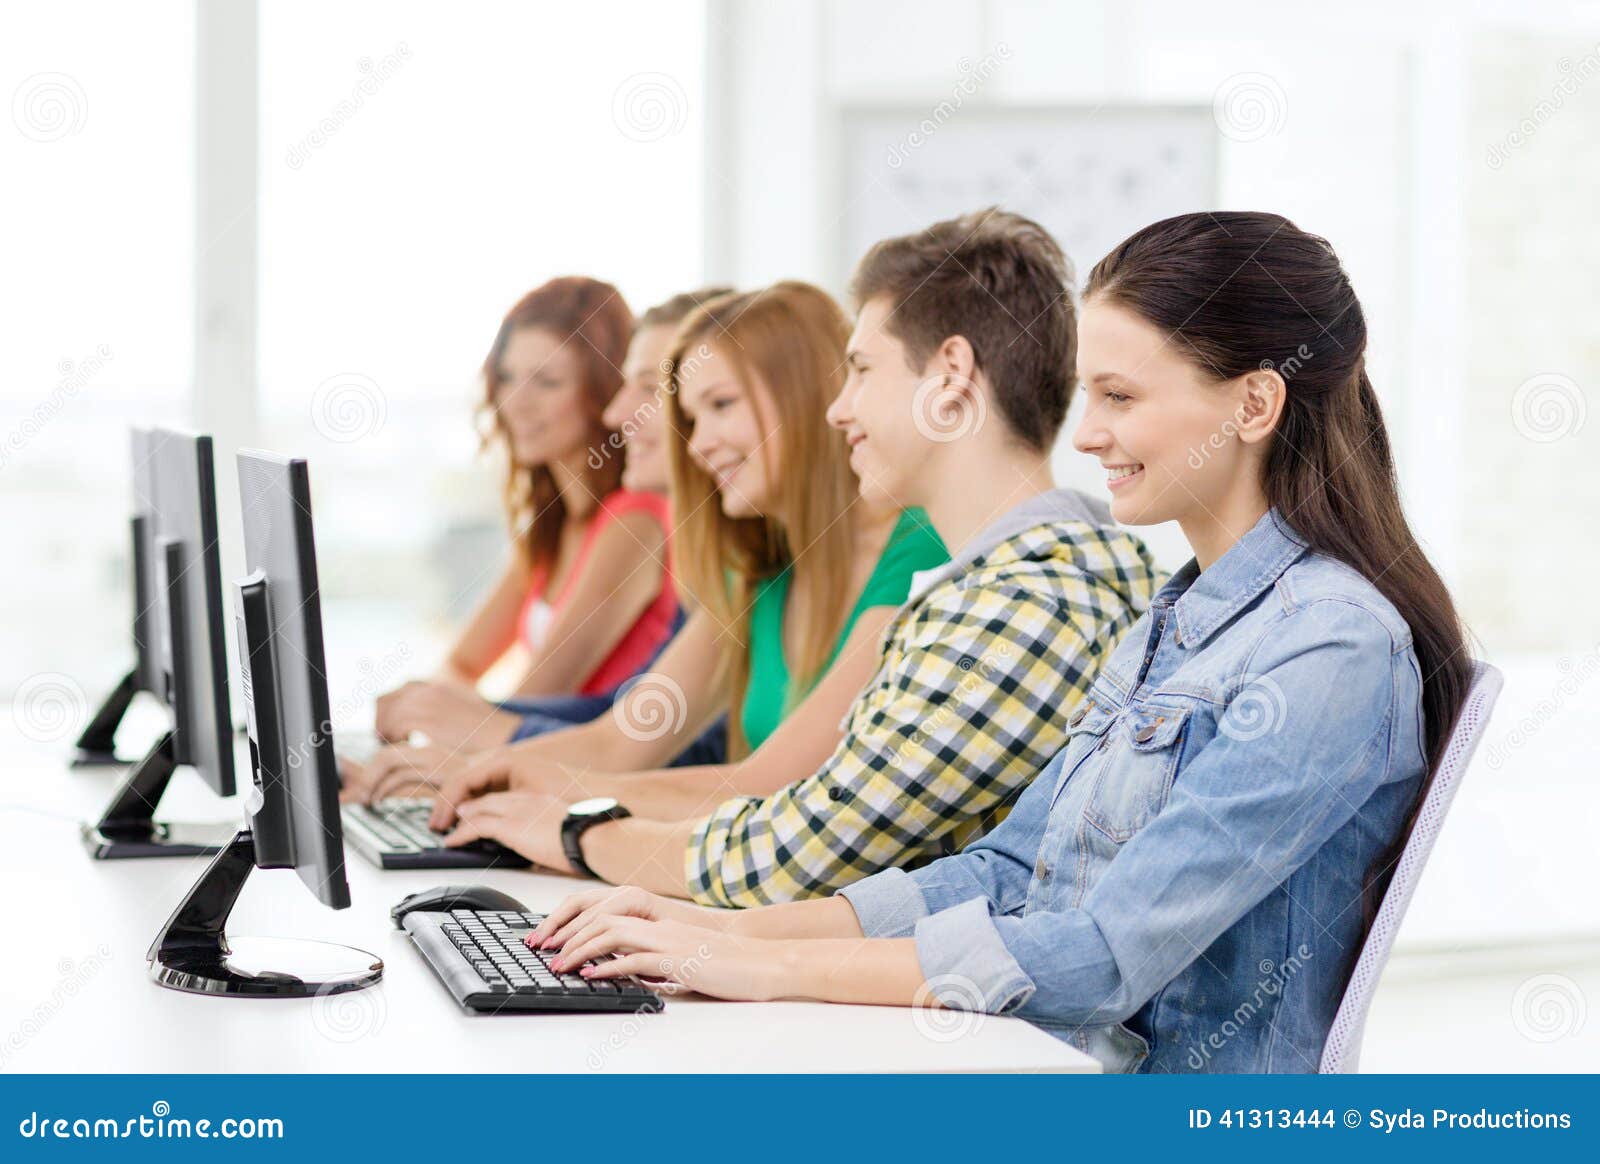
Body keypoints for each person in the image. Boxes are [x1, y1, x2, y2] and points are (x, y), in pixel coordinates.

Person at [525, 211, 1474, 1075]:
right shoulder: (1172, 621)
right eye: (1088, 395)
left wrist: (766, 965)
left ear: (1254, 406)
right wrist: (724, 935)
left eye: (1120, 397)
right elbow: (1011, 870)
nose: (1090, 433)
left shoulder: (1332, 649)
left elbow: (1102, 954)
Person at [431, 209, 1159, 907]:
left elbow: (802, 841)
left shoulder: (1020, 603)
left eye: (862, 371)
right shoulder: (965, 589)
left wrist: (571, 827)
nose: (839, 410)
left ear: (950, 378)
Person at [351, 281, 951, 818]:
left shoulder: (916, 553)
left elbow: (773, 785)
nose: (699, 445)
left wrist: (514, 785)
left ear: (798, 397)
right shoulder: (760, 569)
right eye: (691, 418)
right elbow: (619, 741)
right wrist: (472, 775)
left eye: (721, 406)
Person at [367, 277, 675, 755]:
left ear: (602, 392)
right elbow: (462, 666)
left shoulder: (633, 523)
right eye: (508, 377)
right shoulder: (554, 526)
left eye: (547, 382)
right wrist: (429, 712)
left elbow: (533, 703)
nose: (517, 402)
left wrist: (437, 723)